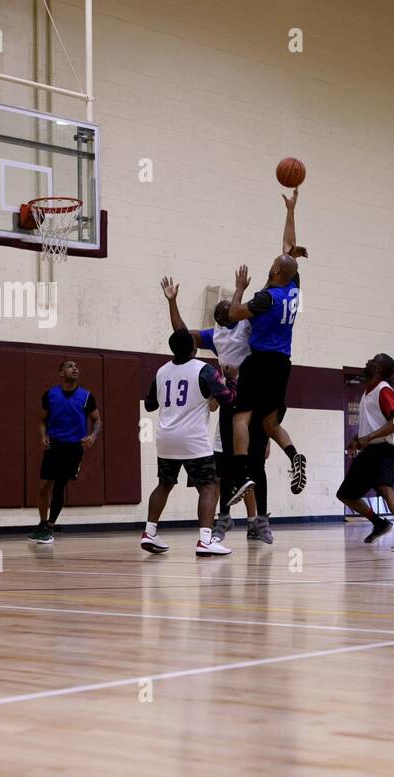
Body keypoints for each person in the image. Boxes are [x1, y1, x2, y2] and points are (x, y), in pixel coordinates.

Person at [161, 276, 273, 544]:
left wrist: (253, 285)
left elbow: (264, 298)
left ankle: (257, 522)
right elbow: (183, 337)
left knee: (254, 467)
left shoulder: (247, 323)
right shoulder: (216, 335)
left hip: (254, 398)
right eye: (222, 309)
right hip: (230, 399)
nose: (225, 307)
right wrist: (172, 302)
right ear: (220, 319)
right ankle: (224, 517)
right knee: (224, 467)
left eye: (228, 304)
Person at [221, 188, 309, 504]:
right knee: (270, 422)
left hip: (259, 361)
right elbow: (288, 250)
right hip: (283, 363)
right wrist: (290, 210)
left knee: (240, 418)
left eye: (273, 263)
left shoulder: (265, 298)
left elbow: (232, 313)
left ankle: (243, 475)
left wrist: (239, 288)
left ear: (274, 271)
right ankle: (294, 454)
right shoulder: (294, 289)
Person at [140, 329, 235, 556]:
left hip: (166, 438)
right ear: (194, 348)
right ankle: (205, 539)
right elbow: (229, 399)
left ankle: (149, 532)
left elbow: (150, 405)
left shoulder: (161, 371)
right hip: (193, 440)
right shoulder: (205, 370)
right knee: (209, 486)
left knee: (164, 484)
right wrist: (231, 380)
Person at [336, 353, 394, 551]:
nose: (368, 362)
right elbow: (373, 424)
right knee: (346, 494)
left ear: (380, 369)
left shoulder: (383, 390)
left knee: (384, 488)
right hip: (371, 451)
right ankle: (379, 523)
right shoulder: (368, 392)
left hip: (386, 450)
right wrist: (357, 439)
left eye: (373, 361)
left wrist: (370, 437)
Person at [28, 359, 101, 544]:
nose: (75, 368)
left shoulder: (86, 396)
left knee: (60, 485)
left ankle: (50, 527)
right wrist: (43, 434)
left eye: (77, 366)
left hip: (74, 448)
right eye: (70, 366)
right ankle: (43, 524)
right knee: (44, 485)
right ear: (61, 373)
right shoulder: (50, 395)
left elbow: (97, 421)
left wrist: (93, 435)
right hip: (54, 445)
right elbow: (42, 420)